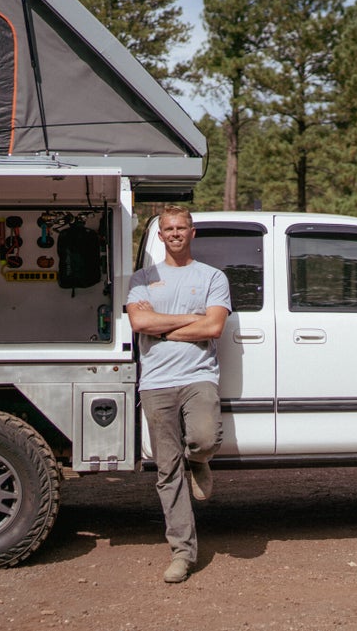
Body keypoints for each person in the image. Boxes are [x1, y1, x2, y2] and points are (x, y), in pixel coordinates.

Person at [127, 205, 231, 584]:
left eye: (181, 228)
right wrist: (192, 319)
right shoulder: (142, 278)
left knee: (205, 438)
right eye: (168, 228)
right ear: (160, 235)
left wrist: (162, 328)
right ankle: (182, 553)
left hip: (197, 375)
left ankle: (199, 460)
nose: (175, 233)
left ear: (192, 232)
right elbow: (139, 321)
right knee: (167, 470)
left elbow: (214, 327)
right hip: (156, 383)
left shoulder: (212, 277)